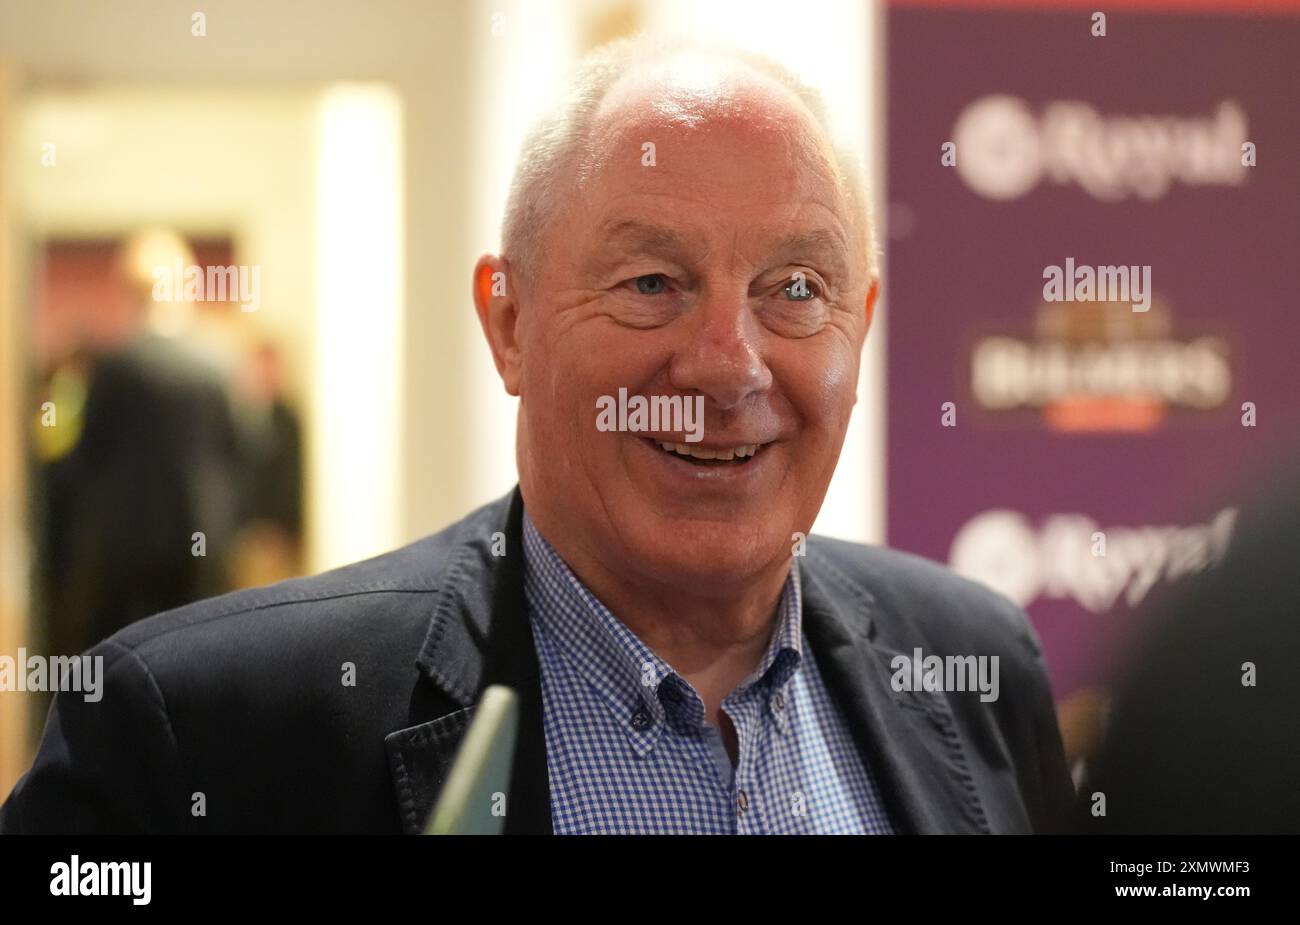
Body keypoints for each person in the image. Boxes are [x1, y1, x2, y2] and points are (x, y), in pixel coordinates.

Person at [1, 35, 1073, 834]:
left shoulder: (973, 663)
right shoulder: (195, 733)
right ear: (507, 322)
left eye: (794, 288)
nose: (727, 362)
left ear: (862, 324)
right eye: (651, 281)